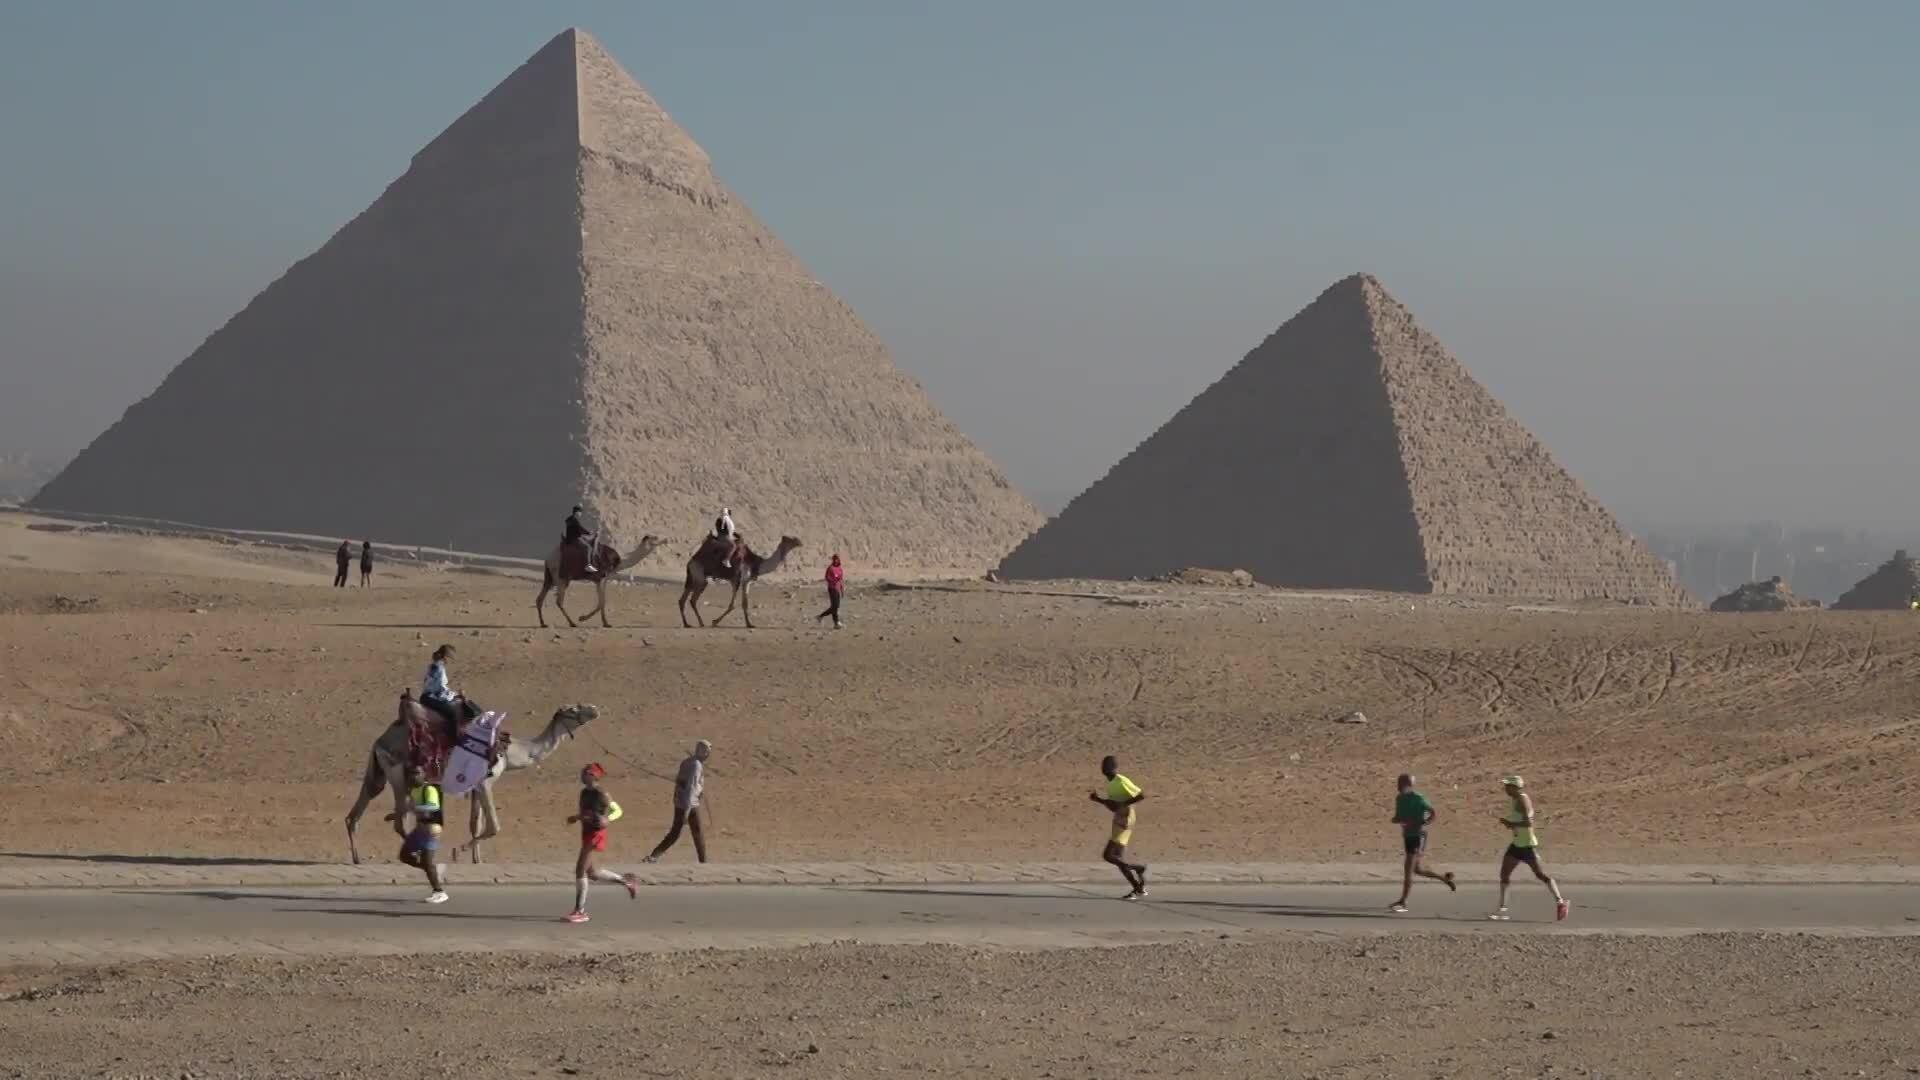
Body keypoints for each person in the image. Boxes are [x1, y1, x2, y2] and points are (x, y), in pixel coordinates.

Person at [563, 762, 639, 923]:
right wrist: (576, 817)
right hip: (586, 832)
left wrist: (607, 819)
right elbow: (586, 813)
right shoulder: (584, 793)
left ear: (592, 776)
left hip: (597, 833)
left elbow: (618, 810)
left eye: (585, 773)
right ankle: (626, 881)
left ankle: (580, 911)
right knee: (592, 873)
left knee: (580, 870)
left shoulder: (602, 793)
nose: (582, 775)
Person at [1491, 775, 1568, 921]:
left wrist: (1510, 824)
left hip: (1526, 845)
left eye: (1508, 786)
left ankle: (1560, 902)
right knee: (1504, 875)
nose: (1505, 788)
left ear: (1515, 787)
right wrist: (1510, 823)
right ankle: (1502, 908)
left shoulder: (1522, 800)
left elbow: (1528, 823)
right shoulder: (1516, 799)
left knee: (1541, 875)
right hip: (1517, 844)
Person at [1389, 772, 1456, 912]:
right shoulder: (1399, 798)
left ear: (1410, 785)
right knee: (1417, 869)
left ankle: (1403, 901)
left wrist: (1425, 822)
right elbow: (1398, 817)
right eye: (1399, 782)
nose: (1399, 786)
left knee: (1408, 870)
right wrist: (1398, 820)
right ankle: (1444, 879)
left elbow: (1433, 812)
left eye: (1402, 783)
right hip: (1408, 836)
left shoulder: (1419, 799)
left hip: (1418, 837)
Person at [1089, 755, 1149, 899]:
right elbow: (1113, 806)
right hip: (1119, 817)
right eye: (1103, 766)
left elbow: (1141, 795)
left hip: (1125, 819)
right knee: (1118, 858)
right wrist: (1098, 800)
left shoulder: (1121, 780)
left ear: (1113, 767)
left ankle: (1138, 868)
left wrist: (1123, 804)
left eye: (1107, 766)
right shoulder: (1110, 784)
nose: (1104, 768)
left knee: (1109, 855)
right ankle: (1138, 888)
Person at [643, 740, 712, 863]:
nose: (708, 754)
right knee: (695, 833)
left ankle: (654, 855)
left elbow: (680, 783)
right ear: (702, 751)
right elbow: (691, 788)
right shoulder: (696, 765)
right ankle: (704, 862)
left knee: (676, 833)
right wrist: (687, 810)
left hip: (681, 802)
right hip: (689, 804)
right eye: (707, 751)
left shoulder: (687, 762)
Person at [398, 765, 449, 903]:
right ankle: (434, 869)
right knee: (404, 856)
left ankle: (439, 892)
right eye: (412, 773)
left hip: (431, 829)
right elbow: (411, 808)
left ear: (424, 775)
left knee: (427, 862)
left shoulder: (429, 789)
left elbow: (434, 807)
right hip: (419, 830)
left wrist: (415, 808)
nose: (414, 776)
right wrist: (396, 814)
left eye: (417, 773)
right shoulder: (415, 791)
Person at [419, 644, 461, 739]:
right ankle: (453, 739)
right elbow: (441, 690)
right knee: (452, 713)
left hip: (426, 696)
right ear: (445, 657)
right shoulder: (440, 669)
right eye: (450, 658)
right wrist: (455, 695)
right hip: (431, 698)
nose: (450, 661)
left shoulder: (433, 665)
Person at [565, 505, 596, 574]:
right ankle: (588, 565)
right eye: (580, 512)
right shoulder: (574, 520)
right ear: (576, 512)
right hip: (574, 539)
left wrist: (584, 535)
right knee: (589, 548)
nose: (581, 514)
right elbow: (580, 529)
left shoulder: (570, 519)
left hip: (570, 538)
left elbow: (577, 530)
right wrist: (589, 533)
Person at [816, 554, 845, 628]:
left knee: (836, 606)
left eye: (837, 559)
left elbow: (841, 579)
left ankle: (821, 616)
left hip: (837, 588)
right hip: (832, 588)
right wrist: (834, 580)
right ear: (833, 560)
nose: (836, 561)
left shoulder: (839, 568)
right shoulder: (830, 568)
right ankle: (836, 622)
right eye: (834, 559)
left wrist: (842, 589)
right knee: (834, 606)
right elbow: (827, 577)